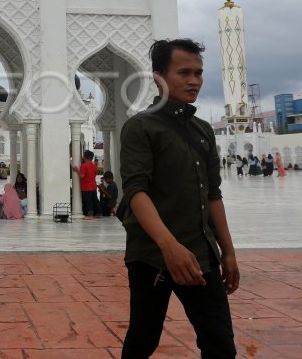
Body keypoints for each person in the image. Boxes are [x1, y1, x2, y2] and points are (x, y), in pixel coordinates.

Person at [120, 38, 238, 358]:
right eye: (184, 72)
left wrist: (227, 252)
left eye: (198, 73)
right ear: (159, 78)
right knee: (144, 339)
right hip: (153, 258)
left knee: (220, 344)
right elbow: (135, 191)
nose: (194, 81)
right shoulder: (141, 127)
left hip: (201, 256)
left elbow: (213, 194)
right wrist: (169, 247)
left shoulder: (202, 130)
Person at [73, 150, 99, 219]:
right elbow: (95, 173)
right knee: (94, 200)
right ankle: (97, 214)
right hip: (93, 186)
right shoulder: (93, 165)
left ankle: (90, 215)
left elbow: (82, 176)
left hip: (86, 187)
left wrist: (77, 170)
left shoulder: (84, 166)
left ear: (85, 157)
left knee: (88, 201)